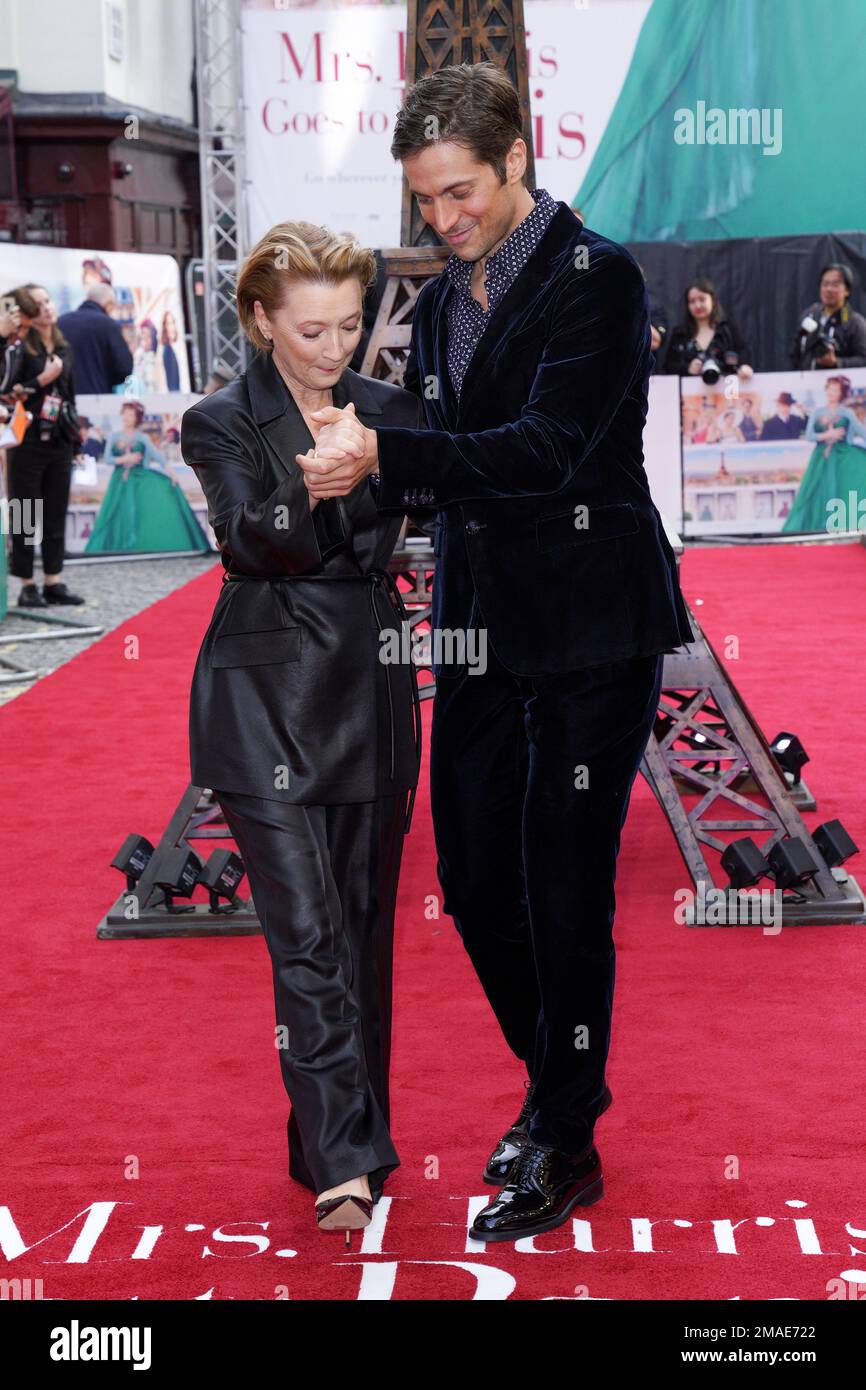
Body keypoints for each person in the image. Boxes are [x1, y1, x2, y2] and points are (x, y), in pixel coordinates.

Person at [297, 61, 694, 1242]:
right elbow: (441, 433)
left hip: (591, 623)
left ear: (517, 157)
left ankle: (564, 1135)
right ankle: (558, 1085)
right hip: (479, 621)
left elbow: (547, 448)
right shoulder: (444, 297)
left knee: (564, 886)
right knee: (469, 878)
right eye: (425, 201)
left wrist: (386, 457)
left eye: (459, 192)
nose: (443, 218)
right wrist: (315, 412)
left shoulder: (597, 278)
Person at [180, 221, 425, 1241]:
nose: (335, 349)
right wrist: (307, 490)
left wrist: (395, 465)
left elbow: (448, 496)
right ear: (261, 321)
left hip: (369, 690)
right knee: (308, 934)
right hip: (263, 696)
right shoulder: (220, 418)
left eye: (350, 325)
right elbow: (242, 540)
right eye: (313, 329)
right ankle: (347, 1161)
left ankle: (324, 1139)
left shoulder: (387, 409)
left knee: (364, 932)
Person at [4, 284, 84, 606]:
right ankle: (26, 583)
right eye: (38, 304)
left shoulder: (64, 346)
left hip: (60, 441)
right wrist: (43, 380)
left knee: (55, 512)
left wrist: (76, 439)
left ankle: (54, 580)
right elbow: (9, 391)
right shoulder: (21, 347)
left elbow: (70, 396)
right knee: (25, 512)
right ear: (27, 312)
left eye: (48, 300)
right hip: (28, 440)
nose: (47, 308)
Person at [85, 400, 209, 554]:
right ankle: (119, 547)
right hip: (120, 481)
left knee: (139, 513)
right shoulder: (114, 436)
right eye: (125, 413)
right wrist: (124, 459)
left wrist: (171, 473)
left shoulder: (142, 437)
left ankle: (140, 545)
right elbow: (108, 458)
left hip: (139, 480)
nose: (126, 417)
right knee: (116, 513)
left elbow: (156, 456)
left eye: (130, 414)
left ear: (136, 418)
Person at [782, 375, 866, 534]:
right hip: (821, 458)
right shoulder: (817, 412)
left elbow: (862, 432)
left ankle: (840, 526)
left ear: (841, 393)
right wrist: (828, 435)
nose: (832, 392)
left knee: (841, 490)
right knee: (814, 491)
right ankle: (817, 529)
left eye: (836, 389)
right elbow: (809, 436)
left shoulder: (847, 413)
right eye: (830, 388)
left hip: (843, 457)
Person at [664, 279, 753, 380]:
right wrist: (687, 368)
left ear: (713, 300)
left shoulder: (727, 328)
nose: (697, 305)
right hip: (689, 392)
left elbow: (743, 354)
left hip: (726, 390)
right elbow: (669, 365)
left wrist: (744, 367)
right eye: (692, 301)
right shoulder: (680, 333)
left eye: (702, 299)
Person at [57, 283, 133, 395]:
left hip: (64, 400)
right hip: (97, 400)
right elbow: (124, 368)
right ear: (109, 305)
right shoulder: (109, 325)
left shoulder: (60, 322)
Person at [790, 262, 866, 370]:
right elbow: (795, 351)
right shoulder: (810, 315)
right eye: (825, 284)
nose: (829, 289)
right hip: (805, 383)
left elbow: (863, 359)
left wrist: (836, 362)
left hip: (837, 384)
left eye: (835, 285)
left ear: (847, 290)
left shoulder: (855, 322)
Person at [160, 310, 181, 391]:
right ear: (164, 327)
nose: (171, 327)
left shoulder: (176, 346)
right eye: (168, 324)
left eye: (173, 323)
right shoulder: (167, 350)